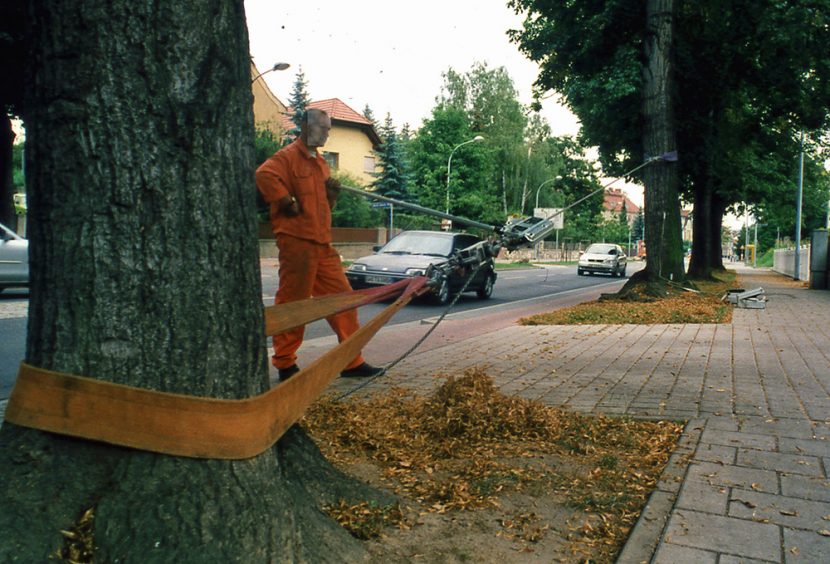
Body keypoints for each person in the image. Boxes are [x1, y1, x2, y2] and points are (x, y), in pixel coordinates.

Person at [256, 108, 384, 381]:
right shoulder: (287, 157)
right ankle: (285, 363)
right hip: (297, 243)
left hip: (322, 244)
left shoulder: (321, 163)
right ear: (306, 127)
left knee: (344, 300)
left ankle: (351, 360)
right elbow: (263, 175)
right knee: (294, 304)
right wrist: (282, 199)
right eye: (323, 128)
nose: (327, 133)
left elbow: (322, 206)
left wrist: (332, 195)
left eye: (328, 129)